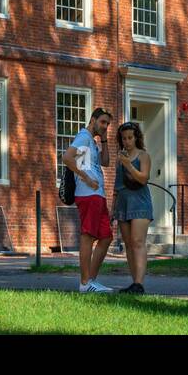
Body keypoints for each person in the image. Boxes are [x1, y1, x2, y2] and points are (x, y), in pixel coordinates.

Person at [63, 107, 114, 293]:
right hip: (88, 194)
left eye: (107, 124)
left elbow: (106, 162)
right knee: (88, 236)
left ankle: (90, 280)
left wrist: (105, 139)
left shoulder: (92, 141)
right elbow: (67, 157)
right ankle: (84, 283)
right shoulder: (84, 136)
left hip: (98, 195)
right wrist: (86, 178)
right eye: (102, 122)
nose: (105, 126)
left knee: (106, 237)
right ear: (93, 120)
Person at [111, 121, 153, 294]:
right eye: (124, 138)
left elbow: (143, 179)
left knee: (137, 242)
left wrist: (128, 164)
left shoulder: (143, 156)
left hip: (140, 202)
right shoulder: (119, 158)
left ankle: (139, 283)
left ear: (136, 138)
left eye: (130, 138)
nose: (127, 141)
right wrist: (112, 209)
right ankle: (134, 283)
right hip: (123, 203)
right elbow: (117, 186)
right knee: (128, 244)